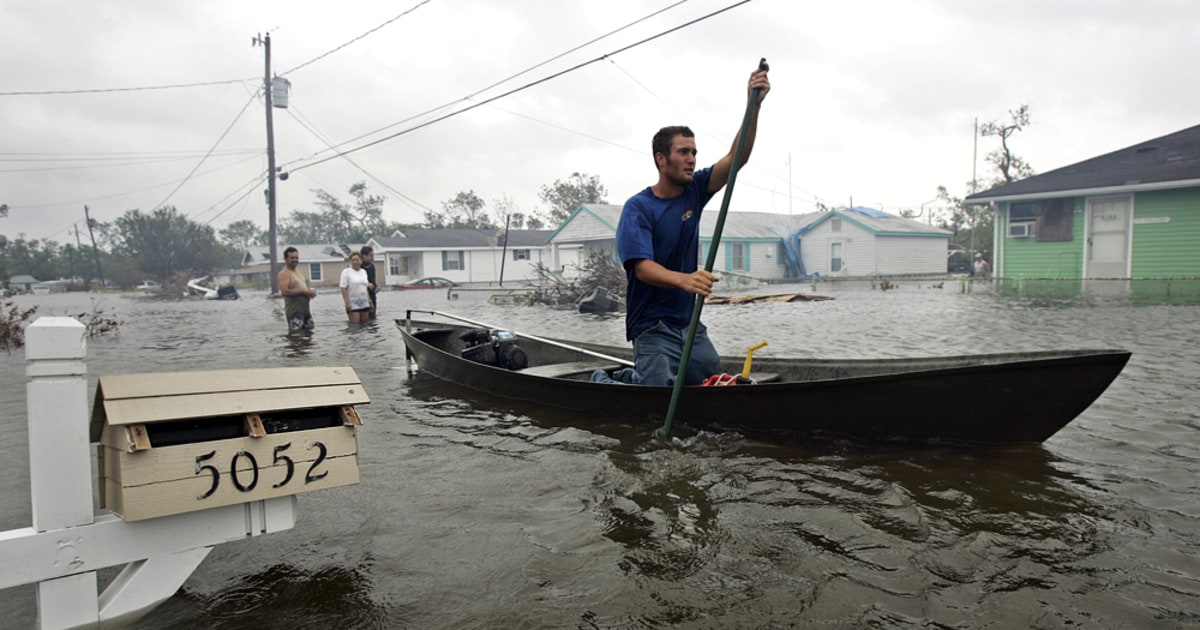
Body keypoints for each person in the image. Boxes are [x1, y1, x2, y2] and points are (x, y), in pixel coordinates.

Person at [614, 62, 770, 387]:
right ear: (661, 158)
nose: (692, 159)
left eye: (694, 152)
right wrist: (685, 280)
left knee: (709, 377)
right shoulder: (639, 208)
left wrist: (753, 105)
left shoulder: (694, 191)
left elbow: (737, 157)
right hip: (652, 326)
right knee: (654, 396)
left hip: (689, 322)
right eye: (683, 152)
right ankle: (611, 379)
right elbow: (642, 268)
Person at [278, 246, 316, 333]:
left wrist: (309, 293)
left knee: (309, 339)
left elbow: (301, 288)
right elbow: (285, 292)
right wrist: (304, 291)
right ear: (285, 259)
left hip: (306, 312)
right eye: (292, 258)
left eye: (296, 257)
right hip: (295, 313)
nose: (295, 260)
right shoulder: (284, 274)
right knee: (296, 339)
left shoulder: (298, 272)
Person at [340, 252, 372, 324]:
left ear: (361, 260)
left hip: (364, 301)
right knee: (355, 326)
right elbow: (343, 288)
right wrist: (347, 303)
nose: (355, 262)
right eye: (353, 260)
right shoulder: (346, 272)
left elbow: (365, 287)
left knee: (365, 326)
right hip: (353, 303)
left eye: (357, 260)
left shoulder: (363, 272)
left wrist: (370, 301)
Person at [360, 246, 378, 320]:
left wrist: (376, 285)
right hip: (363, 296)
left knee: (373, 318)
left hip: (372, 295)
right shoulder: (360, 267)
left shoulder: (372, 266)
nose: (372, 257)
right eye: (371, 255)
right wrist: (367, 284)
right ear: (364, 256)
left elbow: (372, 280)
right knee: (364, 319)